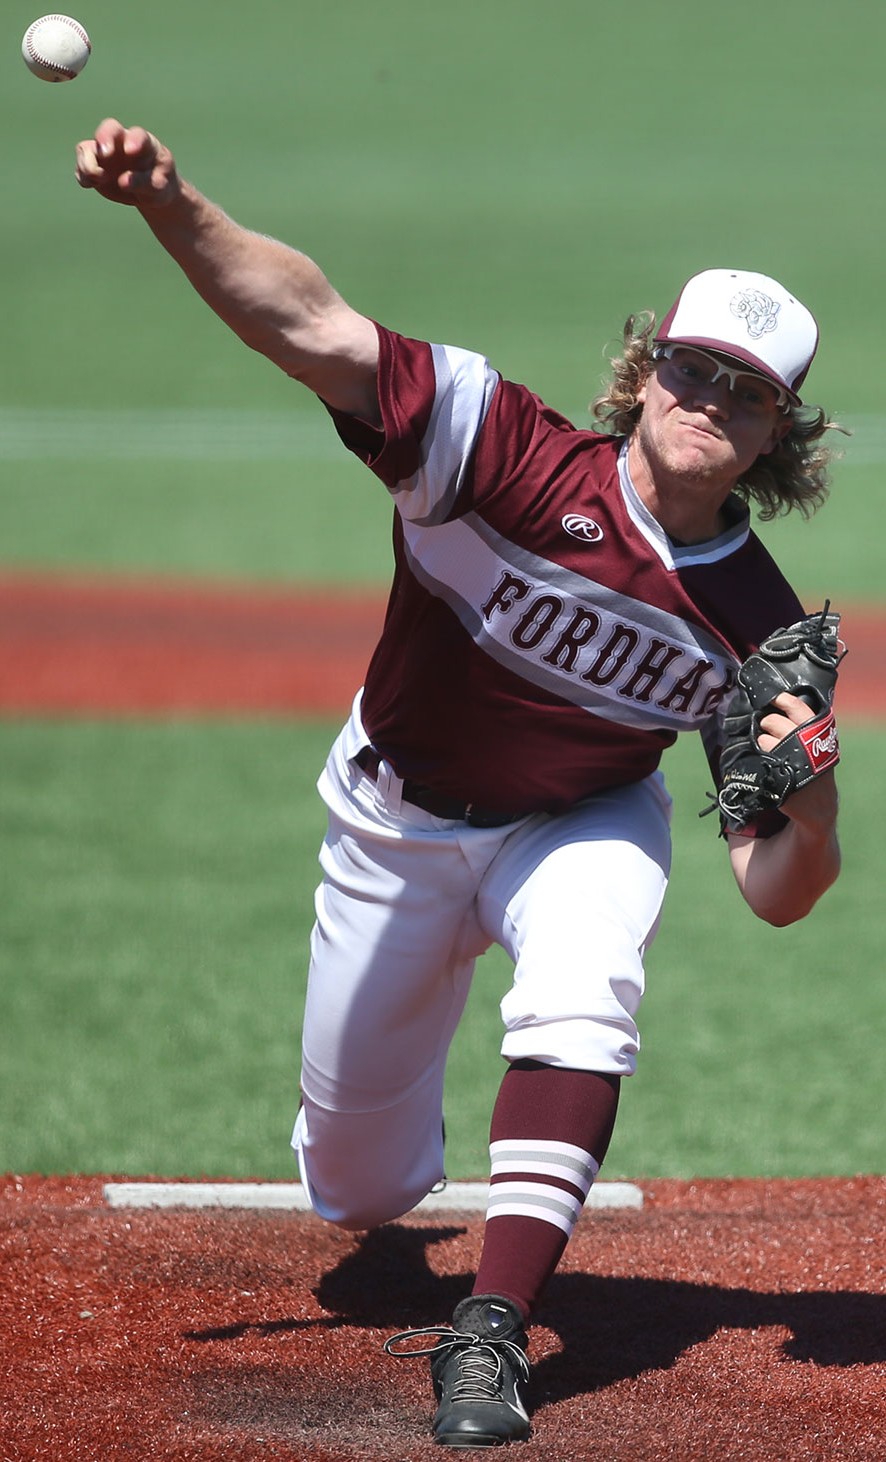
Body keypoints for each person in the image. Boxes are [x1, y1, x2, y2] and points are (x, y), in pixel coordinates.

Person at [75, 119, 843, 1447]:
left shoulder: (761, 636)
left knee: (588, 978)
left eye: (746, 389)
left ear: (778, 429)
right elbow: (307, 323)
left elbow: (773, 890)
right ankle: (393, 1185)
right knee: (358, 1186)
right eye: (690, 366)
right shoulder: (493, 446)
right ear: (643, 368)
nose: (707, 398)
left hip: (582, 822)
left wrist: (815, 804)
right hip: (395, 819)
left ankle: (489, 1331)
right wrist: (171, 205)